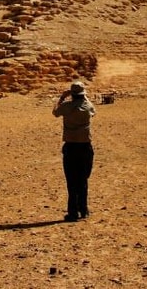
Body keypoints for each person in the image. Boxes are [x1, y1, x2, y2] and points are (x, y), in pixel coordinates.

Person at [53, 81, 96, 222]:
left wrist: (62, 97)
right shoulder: (87, 106)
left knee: (72, 182)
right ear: (83, 95)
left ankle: (73, 213)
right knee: (83, 180)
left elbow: (55, 112)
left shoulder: (66, 107)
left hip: (71, 148)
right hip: (85, 147)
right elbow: (93, 110)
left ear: (72, 94)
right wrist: (84, 97)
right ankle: (83, 210)